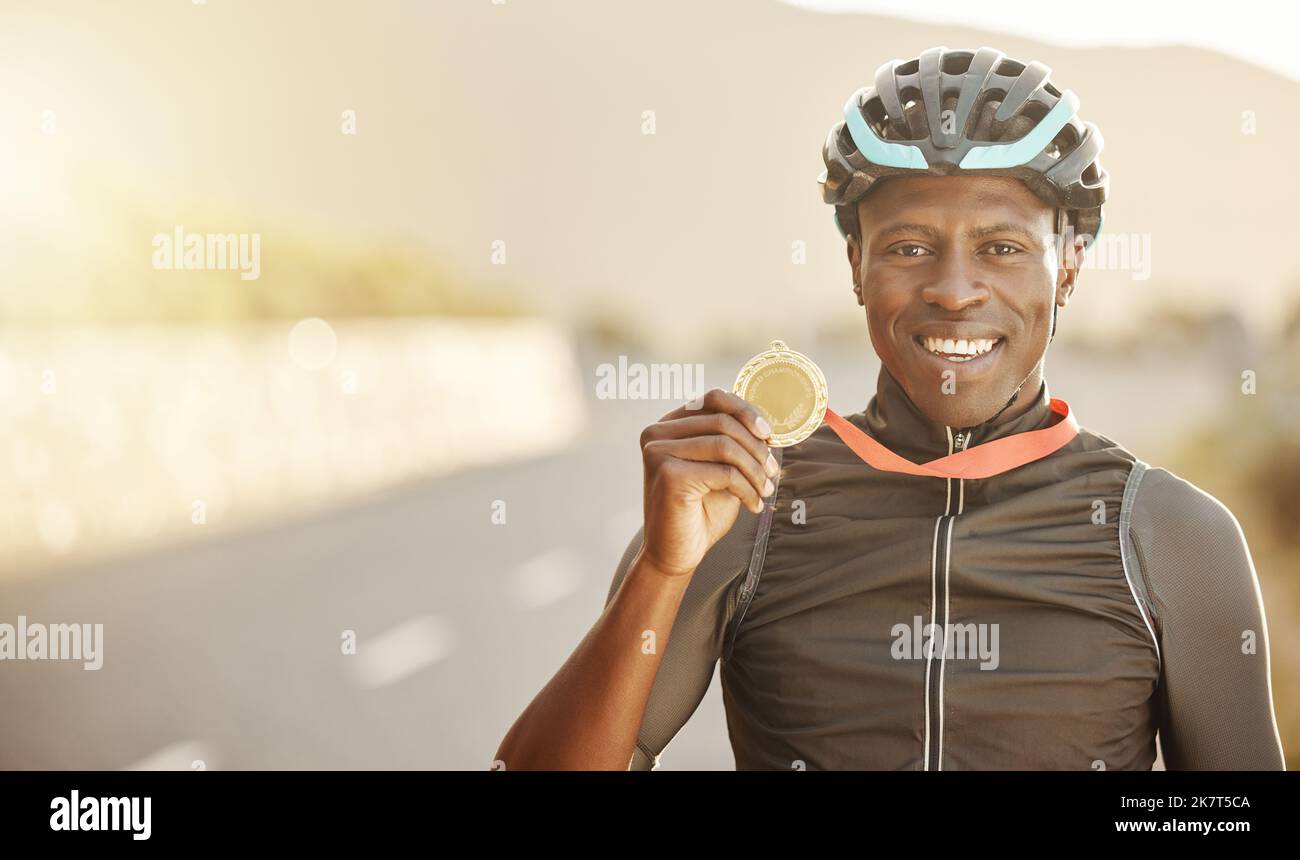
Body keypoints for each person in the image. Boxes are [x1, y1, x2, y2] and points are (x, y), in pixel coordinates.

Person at [493, 46, 1286, 770]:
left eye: (1002, 248)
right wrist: (663, 573)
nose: (952, 288)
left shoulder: (1172, 538)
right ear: (855, 264)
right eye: (909, 246)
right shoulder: (745, 515)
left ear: (1069, 264)